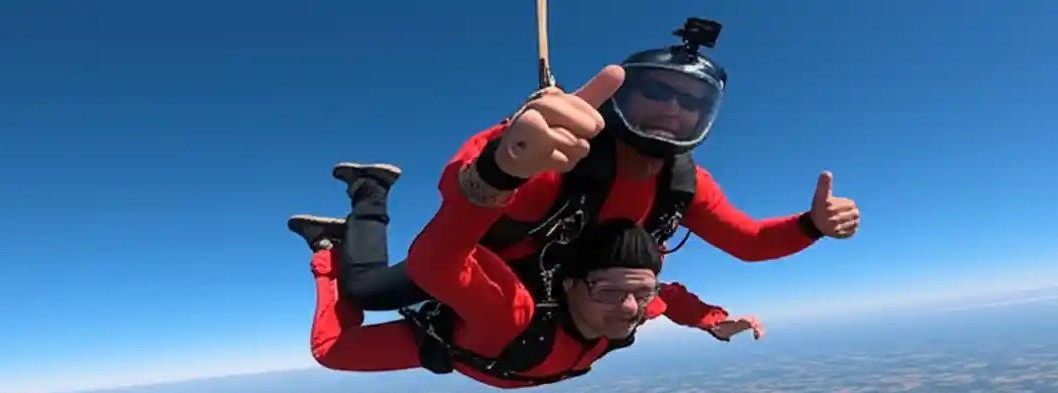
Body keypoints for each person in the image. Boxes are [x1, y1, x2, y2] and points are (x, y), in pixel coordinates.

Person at [329, 17, 861, 314]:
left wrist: (811, 226)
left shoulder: (684, 183)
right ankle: (369, 191)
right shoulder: (563, 150)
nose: (675, 108)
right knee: (366, 293)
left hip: (559, 283)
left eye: (692, 102)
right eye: (657, 91)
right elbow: (461, 184)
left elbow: (748, 241)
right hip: (489, 265)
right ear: (619, 97)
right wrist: (504, 163)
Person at [295, 162, 763, 390]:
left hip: (478, 350)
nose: (629, 307)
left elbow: (670, 298)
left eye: (640, 294)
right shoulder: (510, 315)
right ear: (571, 285)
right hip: (471, 328)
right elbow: (439, 262)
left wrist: (713, 322)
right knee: (356, 304)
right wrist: (500, 169)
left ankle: (347, 226)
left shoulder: (628, 308)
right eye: (611, 292)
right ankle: (354, 210)